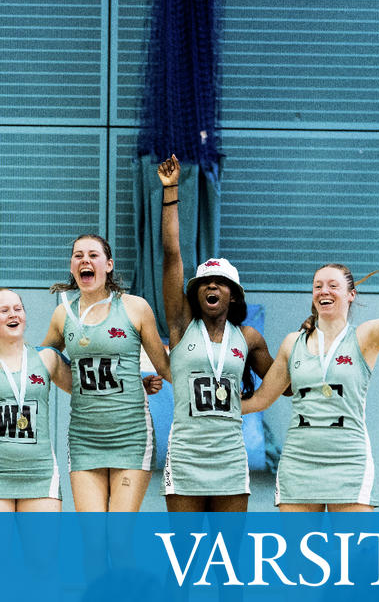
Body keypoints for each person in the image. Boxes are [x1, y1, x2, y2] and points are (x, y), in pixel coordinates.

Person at [243, 213, 379, 511]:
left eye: (332, 285)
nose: (324, 290)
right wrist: (215, 407)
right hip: (299, 463)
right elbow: (261, 399)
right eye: (318, 286)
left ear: (351, 295)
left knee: (351, 557)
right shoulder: (292, 342)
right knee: (298, 557)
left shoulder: (366, 337)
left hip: (349, 461)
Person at [157, 154, 273, 512]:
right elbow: (172, 255)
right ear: (196, 292)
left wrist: (312, 335)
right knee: (185, 561)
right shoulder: (180, 326)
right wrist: (171, 191)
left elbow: (284, 380)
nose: (211, 286)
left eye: (220, 283)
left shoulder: (249, 338)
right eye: (204, 282)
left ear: (233, 293)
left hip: (231, 460)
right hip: (186, 458)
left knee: (227, 562)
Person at [42, 234, 171, 512]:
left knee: (119, 538)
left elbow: (166, 368)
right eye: (78, 255)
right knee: (93, 542)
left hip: (131, 435)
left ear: (109, 265)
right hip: (84, 438)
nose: (85, 260)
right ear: (72, 265)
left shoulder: (135, 307)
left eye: (93, 255)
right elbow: (41, 362)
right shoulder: (63, 315)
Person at [0, 288, 71, 512]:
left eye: (18, 309)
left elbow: (86, 390)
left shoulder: (47, 358)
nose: (13, 314)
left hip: (39, 472)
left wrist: (137, 384)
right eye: (4, 310)